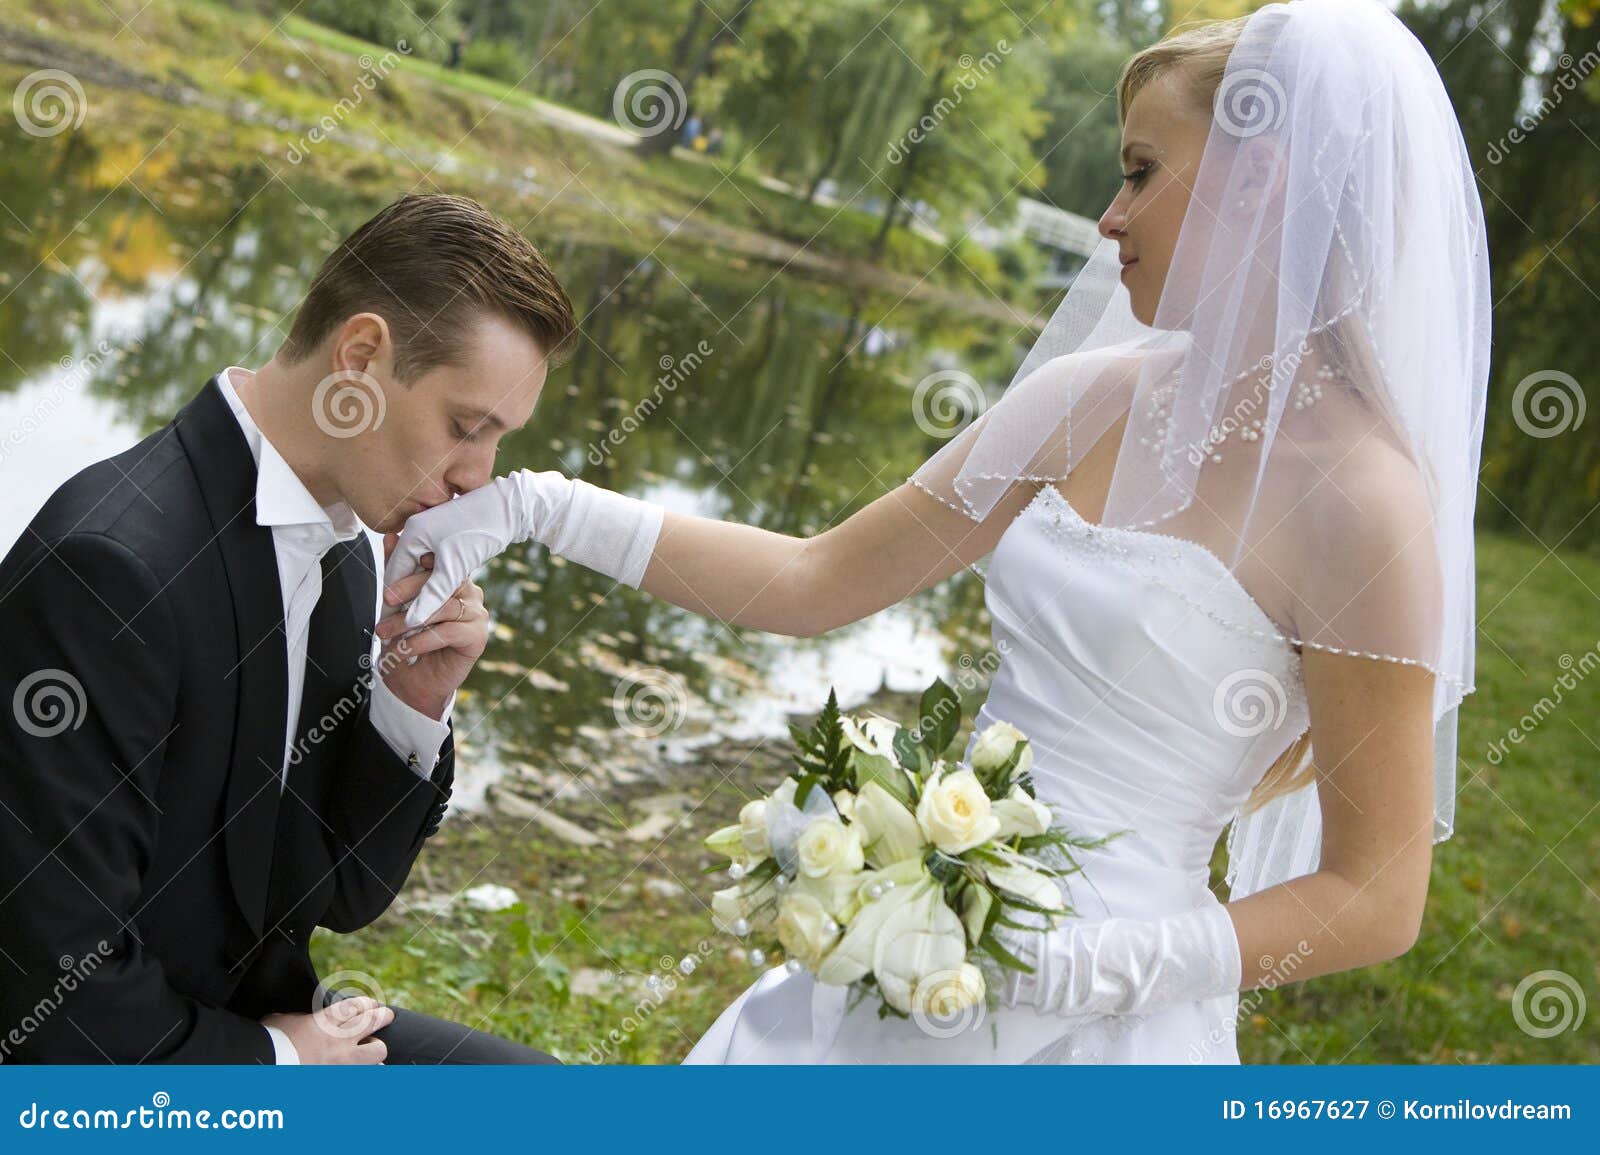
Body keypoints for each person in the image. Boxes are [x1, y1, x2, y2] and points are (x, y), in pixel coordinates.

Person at [384, 0, 1489, 1063]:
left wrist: (1082, 970)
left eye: (1141, 171)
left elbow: (1376, 894)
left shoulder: (1363, 505)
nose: (1108, 218)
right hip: (917, 937)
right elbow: (811, 581)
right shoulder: (1092, 395)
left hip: (1105, 1009)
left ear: (1260, 178)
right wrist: (537, 507)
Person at [0, 194, 574, 1064]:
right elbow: (50, 993)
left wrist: (410, 705)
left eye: (498, 439)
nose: (477, 477)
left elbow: (340, 891)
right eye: (466, 427)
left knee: (546, 1098)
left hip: (257, 1023)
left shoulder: (344, 544)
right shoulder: (112, 570)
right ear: (361, 355)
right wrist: (287, 1065)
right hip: (116, 1078)